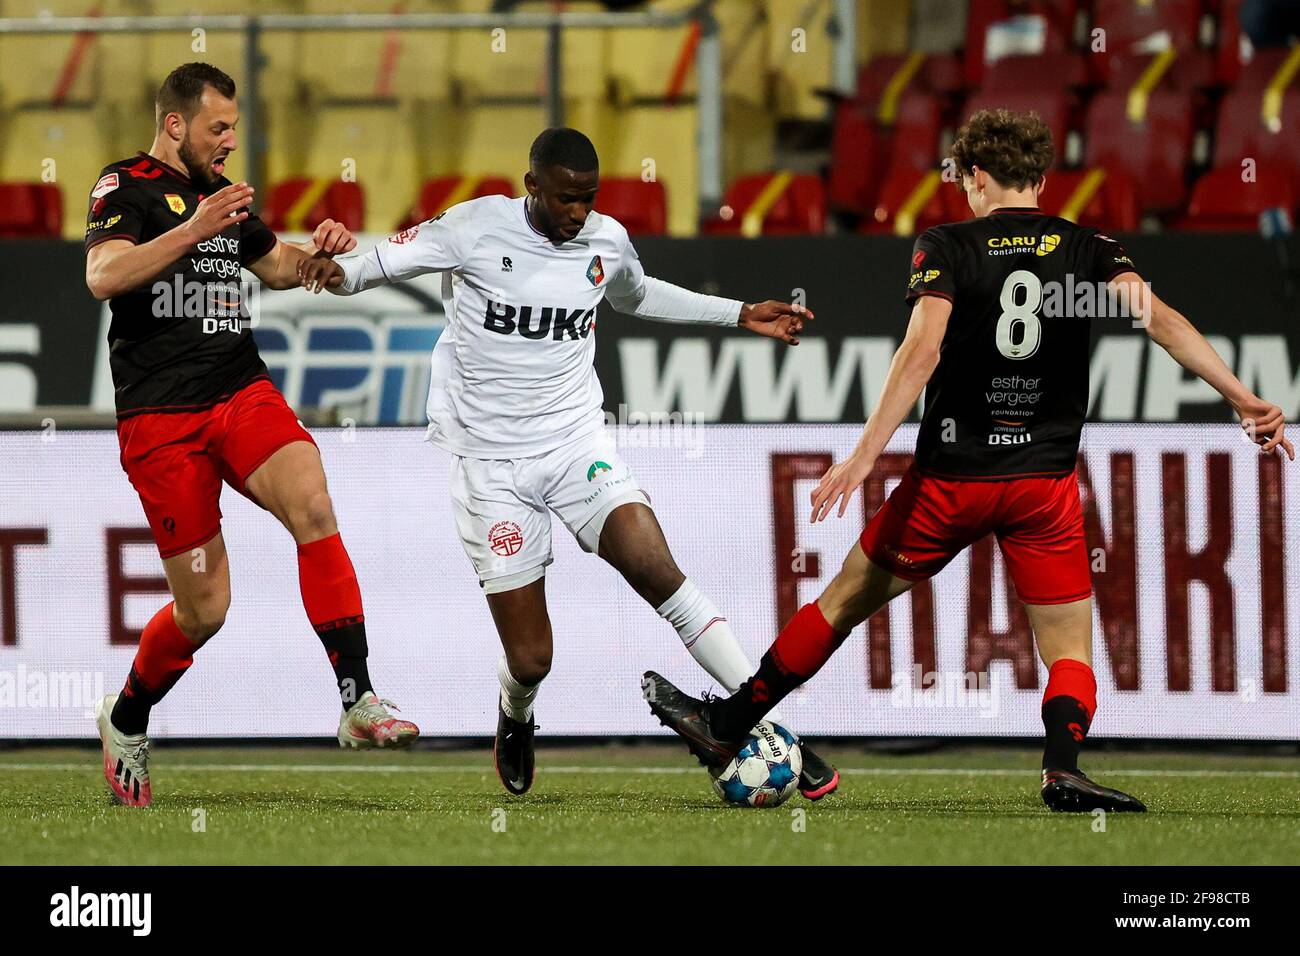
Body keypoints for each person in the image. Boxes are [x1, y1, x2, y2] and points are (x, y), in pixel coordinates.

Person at [643, 108, 1295, 813]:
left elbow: (921, 352)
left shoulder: (947, 244)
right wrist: (1242, 397)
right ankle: (1062, 768)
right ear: (1042, 178)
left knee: (841, 603)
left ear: (976, 176)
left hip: (950, 483)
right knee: (1070, 646)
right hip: (1042, 486)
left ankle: (729, 722)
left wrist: (865, 455)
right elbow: (1160, 322)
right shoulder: (1088, 247)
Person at [298, 127, 839, 799]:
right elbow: (368, 270)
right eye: (564, 200)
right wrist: (330, 260)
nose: (577, 213)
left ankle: (776, 729)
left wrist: (738, 316)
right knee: (532, 658)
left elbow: (636, 296)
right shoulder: (473, 228)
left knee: (660, 572)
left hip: (576, 445)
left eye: (588, 199)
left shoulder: (606, 242)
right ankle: (515, 713)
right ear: (532, 188)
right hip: (491, 467)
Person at [86, 63, 417, 808]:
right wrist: (194, 230)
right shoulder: (124, 186)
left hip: (240, 391)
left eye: (233, 127)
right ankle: (128, 716)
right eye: (218, 128)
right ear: (176, 125)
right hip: (161, 420)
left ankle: (358, 698)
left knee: (313, 501)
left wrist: (325, 258)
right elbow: (104, 277)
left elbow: (280, 266)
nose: (230, 141)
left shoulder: (224, 198)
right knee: (205, 611)